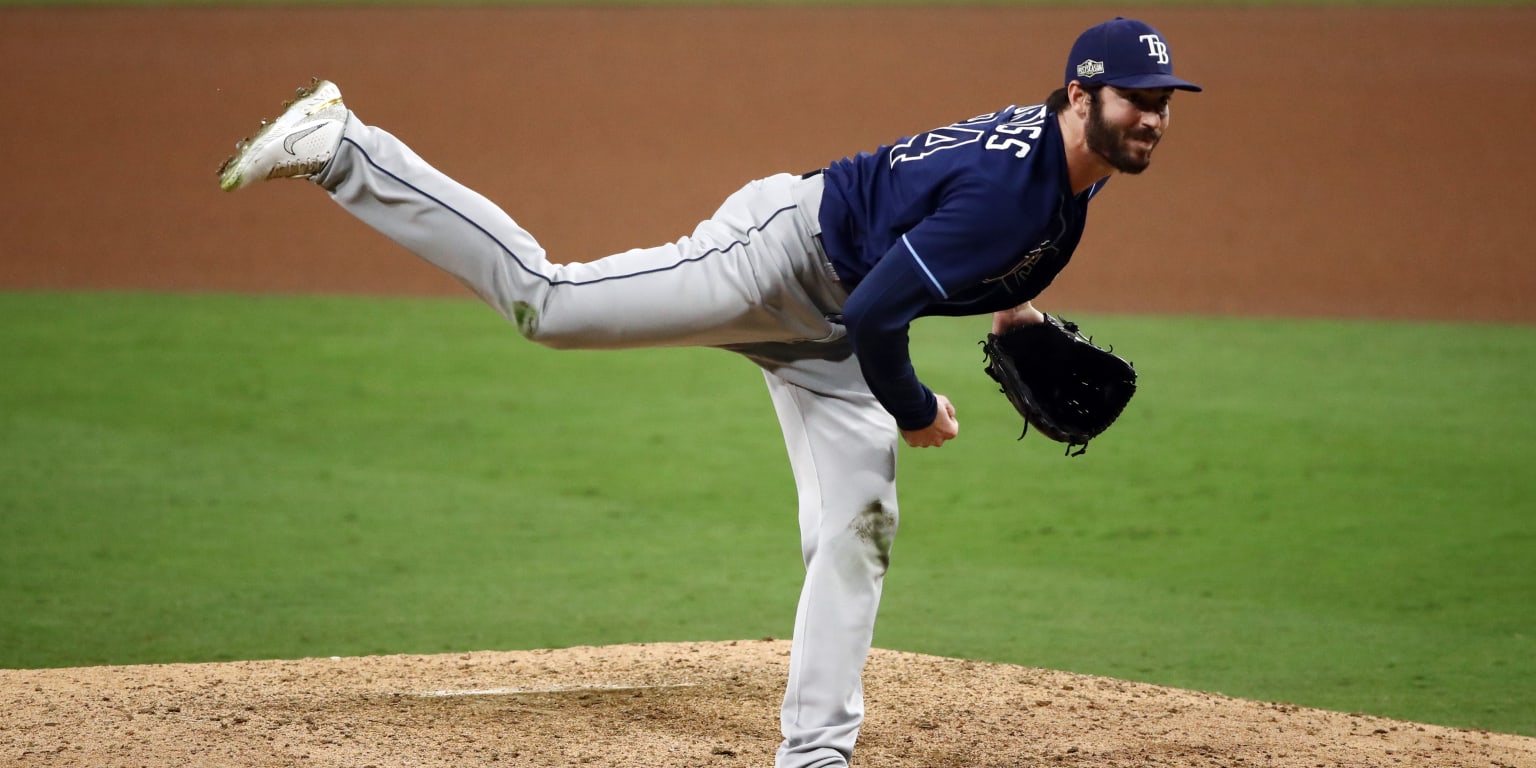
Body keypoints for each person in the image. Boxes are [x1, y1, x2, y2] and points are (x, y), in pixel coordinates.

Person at [217, 16, 1199, 768]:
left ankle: (815, 751)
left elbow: (977, 248)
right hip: (776, 260)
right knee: (550, 303)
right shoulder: (1014, 192)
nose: (1152, 117)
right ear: (1081, 96)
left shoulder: (1067, 166)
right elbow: (878, 322)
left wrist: (1013, 316)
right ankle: (346, 147)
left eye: (1164, 100)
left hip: (834, 314)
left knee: (860, 521)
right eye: (1136, 100)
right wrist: (913, 410)